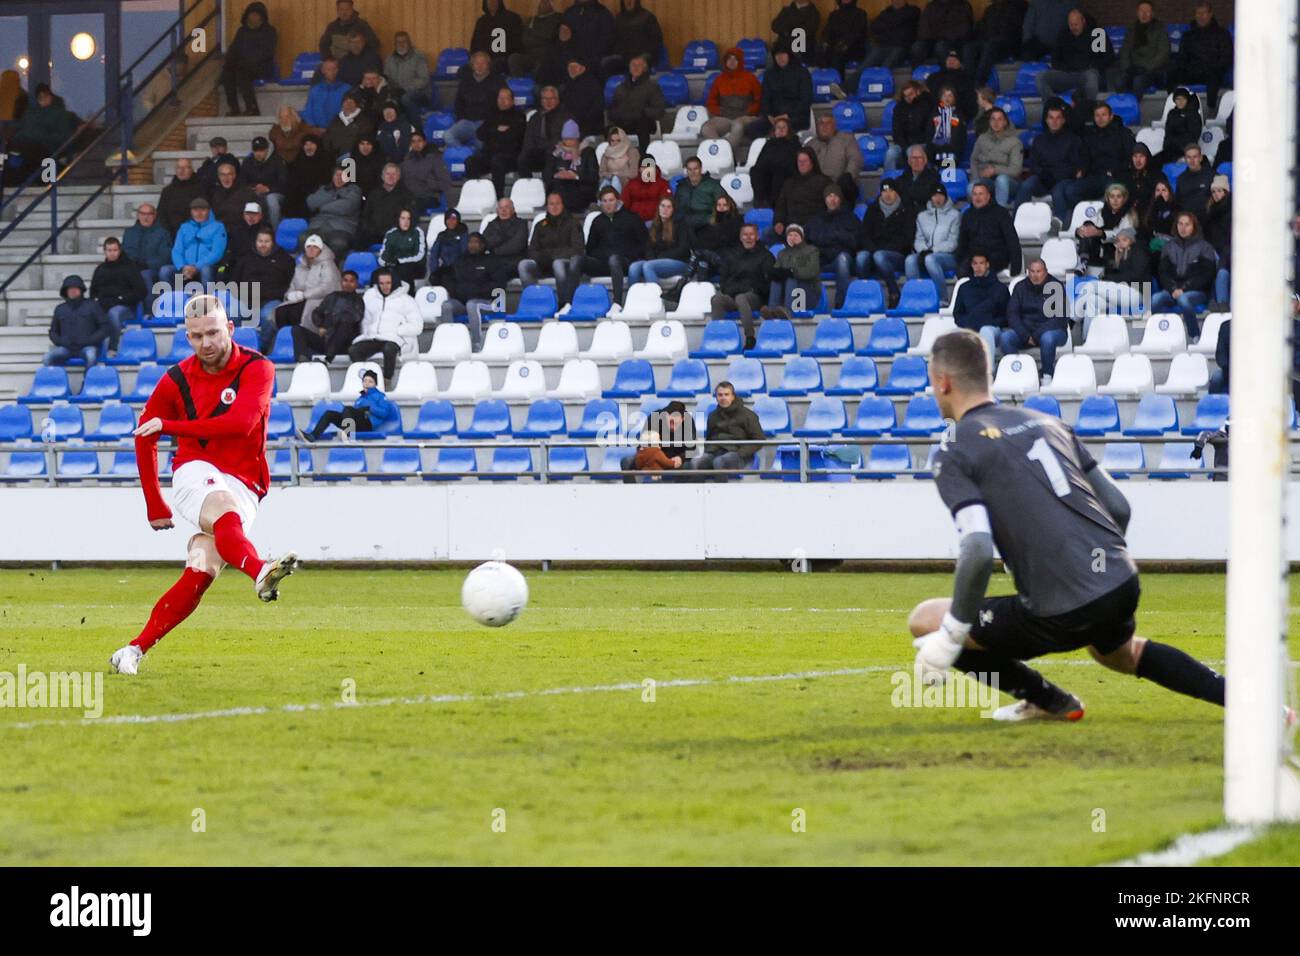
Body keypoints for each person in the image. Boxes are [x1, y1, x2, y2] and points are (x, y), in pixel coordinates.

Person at [907, 328, 1229, 721]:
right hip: (1119, 584)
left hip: (1058, 610)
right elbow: (1119, 507)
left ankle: (1049, 701)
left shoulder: (954, 448)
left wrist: (952, 634)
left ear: (942, 382)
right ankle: (1254, 705)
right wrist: (1090, 568)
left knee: (926, 622)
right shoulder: (1045, 421)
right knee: (1121, 654)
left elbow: (976, 548)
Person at [108, 294, 298, 677]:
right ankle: (261, 571)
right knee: (222, 508)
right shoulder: (177, 378)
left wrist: (171, 426)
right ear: (187, 336)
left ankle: (131, 650)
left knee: (201, 569)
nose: (205, 343)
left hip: (247, 481)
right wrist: (154, 502)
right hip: (195, 469)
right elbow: (144, 435)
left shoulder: (257, 368)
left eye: (212, 332)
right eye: (196, 336)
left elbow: (240, 424)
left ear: (229, 329)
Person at [1052, 102, 1134, 223]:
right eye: (1097, 115)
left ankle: (1108, 222)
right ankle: (1086, 217)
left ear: (1111, 116)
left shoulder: (1124, 134)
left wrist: (1115, 171)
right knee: (1070, 190)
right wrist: (1082, 170)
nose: (1100, 118)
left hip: (1116, 176)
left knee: (1112, 191)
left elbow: (1129, 158)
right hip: (1094, 176)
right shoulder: (1089, 135)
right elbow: (1085, 157)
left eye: (1104, 115)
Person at [266, 234, 342, 351]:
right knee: (281, 312)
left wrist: (304, 295)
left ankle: (303, 346)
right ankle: (282, 345)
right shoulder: (300, 266)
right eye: (309, 247)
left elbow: (327, 286)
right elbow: (293, 285)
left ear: (321, 249)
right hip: (301, 301)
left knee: (300, 313)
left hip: (321, 302)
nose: (311, 249)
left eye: (315, 247)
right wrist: (290, 295)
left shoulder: (328, 265)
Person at [575, 186, 645, 307]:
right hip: (603, 263)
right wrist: (605, 254)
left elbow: (642, 245)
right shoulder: (597, 221)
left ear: (618, 201)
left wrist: (622, 254)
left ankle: (617, 303)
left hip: (625, 262)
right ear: (601, 203)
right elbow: (590, 249)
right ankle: (571, 303)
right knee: (577, 260)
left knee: (614, 259)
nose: (608, 204)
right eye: (604, 201)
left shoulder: (632, 218)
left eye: (611, 200)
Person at [1000, 258, 1068, 380]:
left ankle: (1047, 375)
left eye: (1039, 271)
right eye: (1032, 271)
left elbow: (1060, 318)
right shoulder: (1020, 287)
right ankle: (1021, 372)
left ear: (1045, 272)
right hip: (1026, 331)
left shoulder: (1056, 286)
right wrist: (1025, 335)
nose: (1035, 275)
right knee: (1006, 338)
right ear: (1028, 272)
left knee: (1047, 338)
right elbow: (1012, 314)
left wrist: (1036, 335)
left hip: (1053, 330)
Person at [349, 268, 422, 380]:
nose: (385, 286)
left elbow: (417, 325)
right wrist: (368, 332)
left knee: (389, 349)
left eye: (388, 283)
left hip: (396, 339)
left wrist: (398, 331)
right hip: (374, 337)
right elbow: (366, 321)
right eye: (382, 283)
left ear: (395, 282)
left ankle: (387, 380)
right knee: (354, 350)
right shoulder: (373, 299)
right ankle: (368, 380)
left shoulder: (406, 300)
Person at [442, 232, 512, 349]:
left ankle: (476, 343)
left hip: (488, 302)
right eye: (470, 242)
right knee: (446, 306)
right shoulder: (461, 261)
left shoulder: (492, 261)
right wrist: (457, 291)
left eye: (475, 242)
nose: (472, 245)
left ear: (483, 245)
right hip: (463, 300)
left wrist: (476, 291)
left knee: (472, 305)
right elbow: (450, 280)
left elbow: (499, 286)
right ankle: (449, 343)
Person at [1152, 211, 1216, 337]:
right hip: (1173, 291)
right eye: (1180, 224)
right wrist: (1173, 289)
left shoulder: (1205, 247)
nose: (1183, 228)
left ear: (1194, 227)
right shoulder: (1168, 247)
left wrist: (1184, 289)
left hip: (1196, 291)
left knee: (1184, 299)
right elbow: (1163, 272)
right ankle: (1162, 335)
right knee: (1155, 300)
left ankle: (1195, 336)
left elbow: (1207, 275)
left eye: (1187, 224)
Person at [711, 224, 774, 349]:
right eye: (745, 234)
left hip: (755, 297)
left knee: (741, 298)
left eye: (751, 234)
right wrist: (740, 288)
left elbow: (767, 283)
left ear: (757, 236)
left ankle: (750, 337)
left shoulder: (766, 256)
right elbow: (724, 283)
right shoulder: (731, 255)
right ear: (740, 237)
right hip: (733, 295)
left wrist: (750, 289)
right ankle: (717, 338)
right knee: (716, 299)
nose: (748, 237)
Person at [1013, 103, 1082, 214]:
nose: (1054, 121)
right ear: (1046, 120)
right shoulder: (1038, 140)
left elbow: (1074, 166)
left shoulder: (1073, 140)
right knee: (1026, 186)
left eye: (1058, 118)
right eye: (1051, 117)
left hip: (1064, 179)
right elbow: (1033, 164)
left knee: (1058, 193)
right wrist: (1043, 175)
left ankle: (1061, 225)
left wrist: (1055, 176)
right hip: (1042, 179)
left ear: (1063, 120)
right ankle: (1015, 222)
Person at [687, 382, 765, 479]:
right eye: (720, 395)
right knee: (695, 462)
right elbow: (709, 438)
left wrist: (741, 453)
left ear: (733, 396)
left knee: (719, 462)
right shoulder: (713, 416)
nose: (723, 398)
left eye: (726, 394)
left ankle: (720, 492)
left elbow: (759, 440)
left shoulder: (748, 415)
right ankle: (698, 492)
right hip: (715, 452)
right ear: (716, 397)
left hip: (738, 454)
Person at [518, 192, 585, 301]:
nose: (554, 207)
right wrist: (545, 258)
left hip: (565, 265)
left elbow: (577, 249)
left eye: (557, 203)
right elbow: (532, 250)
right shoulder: (540, 225)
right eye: (551, 204)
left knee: (557, 264)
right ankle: (535, 302)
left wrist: (553, 257)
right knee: (524, 265)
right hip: (543, 264)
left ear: (563, 205)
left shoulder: (573, 223)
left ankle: (564, 303)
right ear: (547, 206)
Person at [231, 226, 294, 341]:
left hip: (272, 300)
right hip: (246, 300)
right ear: (256, 242)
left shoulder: (284, 259)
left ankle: (261, 348)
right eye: (260, 241)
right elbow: (234, 282)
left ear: (273, 242)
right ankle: (235, 346)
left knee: (268, 317)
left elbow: (291, 283)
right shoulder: (245, 258)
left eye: (266, 241)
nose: (263, 244)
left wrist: (277, 294)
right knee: (232, 313)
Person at [290, 269, 365, 364]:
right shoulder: (332, 297)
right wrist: (321, 325)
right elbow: (317, 313)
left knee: (344, 325)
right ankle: (302, 359)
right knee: (297, 329)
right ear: (341, 282)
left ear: (356, 284)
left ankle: (328, 360)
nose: (348, 284)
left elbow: (351, 318)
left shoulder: (358, 301)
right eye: (345, 280)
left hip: (344, 343)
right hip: (326, 340)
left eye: (351, 281)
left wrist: (328, 326)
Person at [301, 368, 397, 442]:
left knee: (348, 408)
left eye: (370, 381)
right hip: (356, 424)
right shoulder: (361, 398)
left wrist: (370, 408)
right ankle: (312, 436)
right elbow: (355, 412)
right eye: (365, 380)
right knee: (329, 414)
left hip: (368, 425)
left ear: (375, 384)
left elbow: (384, 413)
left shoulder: (380, 396)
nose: (367, 383)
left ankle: (348, 435)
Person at [859, 180, 916, 305]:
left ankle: (894, 292)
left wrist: (883, 250)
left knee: (880, 256)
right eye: (884, 191)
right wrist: (873, 249)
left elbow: (907, 238)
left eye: (891, 191)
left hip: (897, 255)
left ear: (897, 193)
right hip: (874, 252)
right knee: (861, 258)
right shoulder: (872, 209)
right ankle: (867, 294)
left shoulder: (906, 210)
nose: (887, 194)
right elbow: (864, 234)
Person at [1169, 1, 1232, 111]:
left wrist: (1214, 67)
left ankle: (1211, 111)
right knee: (1172, 73)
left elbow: (1226, 57)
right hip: (1193, 71)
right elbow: (1182, 57)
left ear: (1210, 14)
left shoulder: (1222, 34)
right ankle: (1172, 107)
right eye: (1198, 13)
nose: (1201, 16)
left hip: (1212, 71)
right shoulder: (1188, 35)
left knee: (1214, 77)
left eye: (1204, 13)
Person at [806, 185, 862, 308]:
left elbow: (855, 241)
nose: (832, 199)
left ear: (840, 199)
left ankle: (841, 303)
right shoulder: (816, 219)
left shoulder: (850, 218)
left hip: (841, 258)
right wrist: (836, 237)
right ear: (825, 199)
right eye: (829, 196)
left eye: (835, 196)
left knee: (843, 260)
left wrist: (831, 237)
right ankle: (808, 305)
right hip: (821, 257)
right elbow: (811, 239)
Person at [1075, 227, 1150, 318]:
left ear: (1131, 240)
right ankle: (1089, 331)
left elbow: (1134, 275)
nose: (1120, 243)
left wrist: (1108, 278)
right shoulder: (1122, 253)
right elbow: (1117, 273)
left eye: (1124, 240)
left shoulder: (1139, 252)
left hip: (1137, 292)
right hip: (1122, 292)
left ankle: (1073, 318)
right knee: (1092, 301)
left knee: (1092, 285)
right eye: (1118, 240)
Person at [1035, 8, 1107, 104]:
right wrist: (1067, 68)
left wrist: (1090, 66)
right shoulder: (1062, 35)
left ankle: (1089, 109)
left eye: (1076, 24)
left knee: (1092, 76)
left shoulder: (1096, 34)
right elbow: (1055, 60)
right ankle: (1054, 106)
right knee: (1041, 77)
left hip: (1086, 74)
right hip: (1066, 74)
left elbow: (1105, 58)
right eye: (1071, 25)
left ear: (1083, 21)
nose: (1073, 27)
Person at [466, 87, 526, 196]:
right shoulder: (492, 115)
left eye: (505, 98)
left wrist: (493, 132)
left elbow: (514, 136)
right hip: (489, 154)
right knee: (471, 161)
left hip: (510, 157)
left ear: (512, 101)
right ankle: (474, 195)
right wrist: (497, 130)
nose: (502, 101)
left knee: (497, 162)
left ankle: (498, 198)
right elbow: (480, 133)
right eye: (500, 98)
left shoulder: (519, 116)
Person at [700, 48, 762, 151]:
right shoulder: (719, 80)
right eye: (729, 59)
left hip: (745, 117)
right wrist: (719, 111)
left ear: (740, 61)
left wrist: (749, 112)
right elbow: (711, 102)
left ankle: (724, 153)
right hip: (726, 117)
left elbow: (759, 100)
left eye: (735, 59)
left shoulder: (751, 78)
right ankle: (723, 152)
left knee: (737, 125)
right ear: (725, 62)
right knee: (706, 128)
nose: (732, 62)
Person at [749, 39, 814, 140]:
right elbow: (765, 99)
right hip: (773, 118)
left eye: (783, 54)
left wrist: (787, 115)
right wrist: (768, 115)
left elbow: (805, 100)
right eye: (777, 55)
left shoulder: (802, 73)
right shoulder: (769, 74)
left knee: (783, 128)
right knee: (751, 129)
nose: (780, 58)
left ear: (789, 55)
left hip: (796, 117)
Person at [90, 238, 146, 353]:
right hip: (103, 305)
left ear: (119, 250)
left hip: (126, 307)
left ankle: (112, 347)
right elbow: (93, 292)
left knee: (113, 313)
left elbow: (141, 291)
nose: (112, 253)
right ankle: (92, 348)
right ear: (105, 251)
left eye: (115, 250)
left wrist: (122, 298)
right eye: (109, 250)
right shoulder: (100, 270)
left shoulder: (130, 267)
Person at [221, 2, 277, 117]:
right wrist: (230, 62)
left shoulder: (270, 31)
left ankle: (252, 107)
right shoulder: (242, 31)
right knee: (227, 73)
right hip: (243, 66)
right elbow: (233, 50)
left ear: (262, 16)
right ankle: (234, 107)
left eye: (257, 14)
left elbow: (267, 52)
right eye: (252, 14)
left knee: (242, 72)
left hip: (262, 67)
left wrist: (247, 62)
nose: (254, 17)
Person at [956, 181, 1021, 277]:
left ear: (988, 196)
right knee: (963, 272)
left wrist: (1016, 269)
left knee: (984, 270)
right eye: (975, 194)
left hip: (996, 257)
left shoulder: (1001, 214)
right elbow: (963, 243)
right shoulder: (967, 215)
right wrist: (959, 263)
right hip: (973, 257)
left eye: (981, 194)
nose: (977, 198)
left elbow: (1012, 241)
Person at [9, 83, 77, 175]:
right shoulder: (30, 113)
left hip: (46, 148)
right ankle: (13, 175)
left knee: (21, 152)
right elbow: (22, 129)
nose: (43, 99)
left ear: (51, 96)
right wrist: (15, 139)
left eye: (46, 96)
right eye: (40, 97)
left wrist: (43, 138)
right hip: (27, 147)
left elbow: (64, 137)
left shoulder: (61, 114)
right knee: (10, 151)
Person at [43, 275, 111, 367]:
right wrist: (62, 341)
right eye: (70, 289)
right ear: (65, 291)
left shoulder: (93, 305)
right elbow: (53, 332)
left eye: (75, 288)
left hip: (87, 347)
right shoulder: (60, 309)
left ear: (81, 290)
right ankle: (54, 381)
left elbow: (105, 328)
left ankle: (88, 381)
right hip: (66, 348)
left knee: (91, 356)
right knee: (47, 357)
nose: (72, 291)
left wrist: (89, 340)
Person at [951, 251, 1009, 358]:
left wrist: (987, 322)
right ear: (972, 265)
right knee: (949, 336)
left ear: (987, 265)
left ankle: (988, 372)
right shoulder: (964, 288)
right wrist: (969, 323)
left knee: (986, 331)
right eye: (975, 263)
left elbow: (1006, 316)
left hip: (992, 329)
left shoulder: (1000, 288)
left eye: (981, 263)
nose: (978, 267)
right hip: (969, 327)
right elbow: (957, 314)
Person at [161, 198, 227, 288]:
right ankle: (172, 300)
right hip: (186, 267)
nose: (199, 213)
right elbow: (176, 250)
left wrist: (196, 267)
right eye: (195, 210)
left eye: (203, 210)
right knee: (165, 271)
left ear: (209, 211)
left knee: (206, 270)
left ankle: (207, 300)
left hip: (206, 266)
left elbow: (217, 253)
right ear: (191, 212)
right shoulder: (184, 227)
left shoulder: (218, 227)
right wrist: (183, 266)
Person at [447, 52, 508, 149]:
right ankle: (465, 152)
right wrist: (461, 118)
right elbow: (458, 103)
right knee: (448, 136)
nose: (479, 66)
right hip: (467, 122)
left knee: (482, 145)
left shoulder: (498, 81)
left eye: (483, 63)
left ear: (488, 65)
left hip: (486, 123)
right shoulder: (465, 81)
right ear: (472, 65)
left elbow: (505, 103)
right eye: (476, 63)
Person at [619, 400, 694, 478]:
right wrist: (650, 457)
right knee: (627, 462)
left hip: (676, 459)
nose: (672, 420)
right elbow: (642, 443)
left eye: (675, 418)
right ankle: (633, 489)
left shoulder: (688, 421)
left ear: (683, 418)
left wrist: (681, 458)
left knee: (688, 466)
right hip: (652, 456)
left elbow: (692, 448)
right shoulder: (654, 417)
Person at [908, 182, 961, 292]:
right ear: (930, 197)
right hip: (925, 253)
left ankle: (942, 298)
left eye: (941, 195)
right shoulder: (922, 216)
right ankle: (916, 296)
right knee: (910, 260)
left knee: (930, 259)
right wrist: (924, 251)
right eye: (935, 195)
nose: (938, 198)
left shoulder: (955, 215)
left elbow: (953, 242)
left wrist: (932, 251)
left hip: (948, 256)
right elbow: (919, 239)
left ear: (945, 197)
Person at [1108, 1, 1170, 96]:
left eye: (1147, 11)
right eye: (1141, 11)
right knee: (1119, 81)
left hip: (1152, 70)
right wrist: (1127, 67)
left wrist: (1146, 67)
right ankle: (1123, 106)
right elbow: (1125, 51)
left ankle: (1135, 108)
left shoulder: (1160, 30)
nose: (1144, 14)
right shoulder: (1131, 30)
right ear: (1137, 13)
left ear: (1152, 14)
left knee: (1138, 82)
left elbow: (1163, 54)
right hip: (1132, 68)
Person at [629, 196, 692, 286]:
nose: (665, 209)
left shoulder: (680, 225)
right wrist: (652, 259)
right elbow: (648, 248)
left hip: (679, 262)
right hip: (657, 261)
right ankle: (633, 297)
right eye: (662, 206)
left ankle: (655, 298)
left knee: (648, 266)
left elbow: (683, 249)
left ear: (673, 210)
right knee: (634, 267)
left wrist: (663, 257)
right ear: (658, 208)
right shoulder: (653, 226)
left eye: (668, 207)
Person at [963, 0, 1027, 87]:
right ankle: (968, 83)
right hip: (989, 41)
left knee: (991, 45)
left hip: (1008, 43)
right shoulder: (991, 9)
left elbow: (1015, 30)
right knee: (969, 47)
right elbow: (981, 26)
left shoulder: (1019, 6)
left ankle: (978, 83)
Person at [305, 164, 363, 261]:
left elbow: (345, 207)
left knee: (338, 243)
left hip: (341, 227)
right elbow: (311, 202)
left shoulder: (354, 190)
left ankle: (333, 269)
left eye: (343, 175)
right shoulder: (324, 188)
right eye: (337, 175)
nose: (339, 178)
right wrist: (334, 197)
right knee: (303, 238)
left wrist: (320, 208)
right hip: (318, 225)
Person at [608, 55, 664, 151]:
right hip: (624, 122)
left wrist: (641, 112)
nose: (636, 67)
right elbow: (612, 110)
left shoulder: (652, 87)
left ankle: (643, 156)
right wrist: (620, 113)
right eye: (633, 65)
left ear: (645, 68)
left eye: (639, 65)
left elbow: (659, 110)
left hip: (643, 122)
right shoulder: (620, 88)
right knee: (609, 129)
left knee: (642, 125)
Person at [969, 107, 1021, 208]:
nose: (996, 122)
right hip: (986, 179)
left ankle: (999, 213)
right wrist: (976, 176)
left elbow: (1016, 169)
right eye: (993, 119)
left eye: (999, 119)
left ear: (1005, 122)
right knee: (972, 187)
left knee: (1001, 180)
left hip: (1009, 181)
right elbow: (973, 159)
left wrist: (995, 170)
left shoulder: (1015, 142)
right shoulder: (982, 139)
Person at [774, 148, 831, 240]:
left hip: (813, 227)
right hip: (790, 227)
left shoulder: (824, 182)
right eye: (799, 161)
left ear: (812, 163)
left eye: (805, 161)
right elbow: (781, 206)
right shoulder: (789, 183)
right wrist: (778, 221)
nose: (802, 164)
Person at [808, 112, 863, 205]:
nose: (824, 126)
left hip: (841, 185)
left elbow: (855, 160)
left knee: (846, 182)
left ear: (834, 125)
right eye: (821, 123)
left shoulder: (847, 139)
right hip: (818, 186)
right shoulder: (811, 145)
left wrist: (846, 177)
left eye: (828, 123)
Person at [543, 120, 599, 213]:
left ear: (577, 139)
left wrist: (576, 176)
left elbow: (593, 176)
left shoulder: (587, 152)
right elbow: (546, 174)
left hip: (581, 190)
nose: (568, 142)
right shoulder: (556, 153)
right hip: (560, 189)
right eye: (566, 139)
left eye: (571, 139)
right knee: (559, 188)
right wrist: (557, 175)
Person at [1074, 181, 1136, 265]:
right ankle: (1083, 262)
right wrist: (1080, 231)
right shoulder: (1101, 211)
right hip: (1100, 247)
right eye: (1112, 196)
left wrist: (1100, 233)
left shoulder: (1129, 215)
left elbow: (1122, 237)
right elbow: (1092, 228)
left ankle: (1084, 262)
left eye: (1119, 196)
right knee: (1088, 225)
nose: (1115, 200)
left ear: (1124, 199)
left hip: (1117, 250)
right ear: (1107, 198)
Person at [518, 86, 572, 178]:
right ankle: (528, 187)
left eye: (551, 98)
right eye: (545, 98)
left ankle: (548, 190)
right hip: (538, 152)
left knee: (550, 160)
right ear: (541, 100)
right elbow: (528, 140)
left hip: (556, 152)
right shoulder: (535, 118)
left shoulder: (566, 118)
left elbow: (567, 141)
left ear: (557, 100)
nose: (548, 101)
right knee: (522, 159)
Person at [768, 223, 821, 313]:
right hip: (786, 292)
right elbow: (777, 270)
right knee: (776, 280)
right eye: (790, 235)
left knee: (791, 279)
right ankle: (772, 311)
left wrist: (792, 272)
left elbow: (812, 271)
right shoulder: (782, 253)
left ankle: (789, 311)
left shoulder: (811, 250)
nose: (793, 237)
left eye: (796, 235)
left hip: (807, 292)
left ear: (802, 237)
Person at [359, 163, 414, 248]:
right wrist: (371, 229)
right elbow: (366, 216)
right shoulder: (374, 194)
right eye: (388, 174)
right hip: (374, 234)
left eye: (394, 174)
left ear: (398, 177)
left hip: (397, 234)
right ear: (382, 176)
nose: (390, 177)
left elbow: (411, 217)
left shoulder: (406, 195)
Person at [606, 0, 665, 80]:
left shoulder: (647, 17)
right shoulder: (619, 19)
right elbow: (614, 42)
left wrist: (643, 56)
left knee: (638, 63)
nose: (629, 2)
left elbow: (656, 41)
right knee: (606, 63)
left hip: (644, 56)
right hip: (625, 57)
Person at [884, 81, 936, 172]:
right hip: (904, 144)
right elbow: (897, 131)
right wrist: (904, 146)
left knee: (912, 152)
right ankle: (890, 180)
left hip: (923, 143)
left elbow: (930, 129)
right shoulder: (899, 108)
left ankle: (916, 180)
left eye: (911, 94)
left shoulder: (927, 105)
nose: (909, 98)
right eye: (906, 96)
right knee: (890, 153)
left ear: (918, 92)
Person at [750, 117, 800, 210]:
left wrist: (772, 164)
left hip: (786, 173)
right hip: (769, 172)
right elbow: (761, 161)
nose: (780, 130)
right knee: (755, 170)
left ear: (788, 130)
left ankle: (776, 205)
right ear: (774, 130)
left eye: (783, 127)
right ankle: (761, 202)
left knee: (779, 171)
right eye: (778, 127)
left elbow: (791, 162)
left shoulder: (794, 143)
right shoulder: (769, 144)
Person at [122, 204, 172, 297]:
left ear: (155, 215)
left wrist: (146, 264)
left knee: (145, 275)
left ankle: (149, 311)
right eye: (143, 214)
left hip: (153, 270)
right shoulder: (129, 232)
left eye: (149, 214)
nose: (146, 217)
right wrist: (135, 264)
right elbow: (126, 252)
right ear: (138, 215)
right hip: (132, 268)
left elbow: (165, 257)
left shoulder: (163, 233)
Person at [690, 193, 743, 279]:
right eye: (719, 205)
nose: (721, 207)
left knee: (703, 259)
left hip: (728, 256)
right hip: (712, 256)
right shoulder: (709, 224)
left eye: (725, 205)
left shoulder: (737, 221)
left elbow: (729, 241)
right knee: (703, 260)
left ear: (730, 206)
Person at [284, 134, 336, 220]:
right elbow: (293, 181)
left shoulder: (326, 160)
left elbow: (327, 180)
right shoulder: (299, 159)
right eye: (306, 144)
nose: (309, 147)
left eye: (312, 144)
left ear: (317, 145)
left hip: (318, 192)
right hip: (300, 194)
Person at [385, 32, 433, 123]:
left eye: (404, 41)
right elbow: (386, 78)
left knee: (405, 98)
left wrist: (405, 89)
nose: (401, 44)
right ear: (394, 45)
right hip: (397, 92)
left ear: (409, 43)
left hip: (419, 93)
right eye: (398, 42)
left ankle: (416, 125)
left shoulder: (419, 57)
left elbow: (424, 79)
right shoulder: (389, 59)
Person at [239, 136, 287, 228]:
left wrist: (268, 189)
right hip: (254, 192)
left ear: (267, 150)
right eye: (256, 150)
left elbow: (283, 183)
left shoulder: (277, 161)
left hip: (275, 193)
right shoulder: (247, 162)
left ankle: (275, 231)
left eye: (261, 150)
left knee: (271, 200)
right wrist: (254, 187)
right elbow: (242, 182)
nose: (258, 153)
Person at [400, 131, 453, 213]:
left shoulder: (435, 159)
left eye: (419, 141)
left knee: (413, 206)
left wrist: (429, 183)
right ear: (410, 144)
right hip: (410, 197)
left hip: (430, 197)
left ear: (425, 142)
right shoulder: (406, 161)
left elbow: (446, 183)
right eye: (413, 141)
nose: (416, 144)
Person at [911, 0, 974, 66]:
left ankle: (944, 75)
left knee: (940, 46)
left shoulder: (963, 5)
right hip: (932, 40)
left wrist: (942, 35)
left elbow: (964, 30)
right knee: (917, 47)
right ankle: (917, 74)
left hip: (954, 42)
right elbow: (923, 28)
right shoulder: (931, 6)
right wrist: (931, 36)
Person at [562, 0, 616, 76]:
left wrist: (586, 66)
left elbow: (606, 43)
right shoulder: (569, 12)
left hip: (593, 67)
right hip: (569, 65)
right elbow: (563, 41)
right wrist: (570, 61)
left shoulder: (603, 13)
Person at [471, 0, 524, 75]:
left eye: (494, 0)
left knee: (493, 66)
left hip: (504, 59)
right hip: (483, 60)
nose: (491, 3)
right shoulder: (481, 21)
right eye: (489, 1)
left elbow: (517, 45)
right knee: (464, 70)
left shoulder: (512, 18)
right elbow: (475, 45)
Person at [511, 1, 562, 79]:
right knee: (514, 58)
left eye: (544, 2)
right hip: (530, 56)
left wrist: (532, 34)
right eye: (540, 2)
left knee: (541, 66)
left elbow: (549, 36)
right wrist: (539, 37)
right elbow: (524, 40)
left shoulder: (558, 18)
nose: (539, 5)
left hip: (546, 57)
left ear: (551, 5)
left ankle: (538, 87)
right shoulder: (531, 20)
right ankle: (520, 84)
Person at [379, 208, 428, 290]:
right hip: (394, 266)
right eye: (403, 218)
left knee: (404, 270)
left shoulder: (417, 232)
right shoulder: (390, 234)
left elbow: (420, 256)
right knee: (378, 274)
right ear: (398, 219)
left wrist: (400, 261)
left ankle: (408, 296)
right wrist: (387, 263)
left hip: (414, 266)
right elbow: (383, 257)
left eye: (408, 218)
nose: (406, 222)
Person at [864, 0, 920, 69]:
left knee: (885, 68)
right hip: (882, 45)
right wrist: (893, 25)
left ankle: (879, 79)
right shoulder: (885, 12)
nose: (897, 1)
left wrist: (886, 24)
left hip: (900, 46)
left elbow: (905, 31)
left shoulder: (913, 11)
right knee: (864, 67)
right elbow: (874, 26)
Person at [925, 48, 978, 122]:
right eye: (949, 59)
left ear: (960, 63)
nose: (951, 61)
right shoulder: (934, 77)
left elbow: (970, 103)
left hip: (957, 116)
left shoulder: (966, 79)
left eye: (954, 60)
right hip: (935, 114)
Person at [158, 158, 207, 236]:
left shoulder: (201, 189)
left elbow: (204, 213)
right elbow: (161, 214)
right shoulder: (167, 191)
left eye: (185, 168)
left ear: (191, 170)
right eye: (179, 168)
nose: (181, 171)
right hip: (172, 235)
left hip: (195, 233)